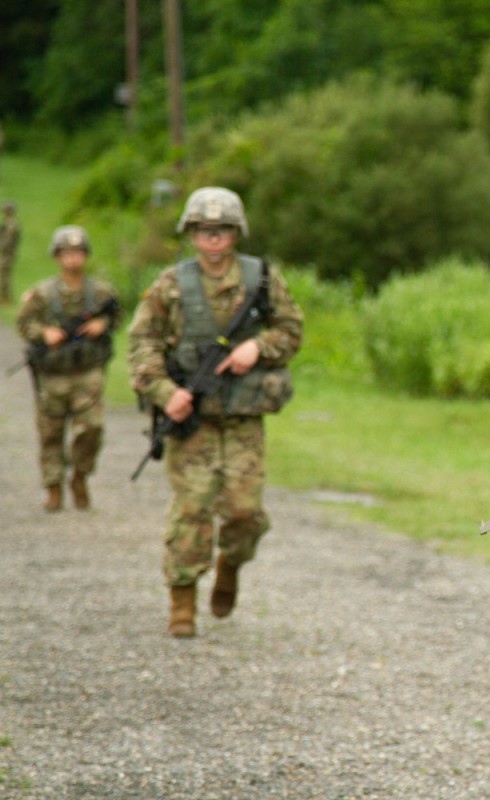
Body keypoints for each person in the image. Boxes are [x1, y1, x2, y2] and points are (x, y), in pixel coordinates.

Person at [127, 186, 303, 638]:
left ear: (236, 233)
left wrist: (256, 347)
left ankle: (230, 565)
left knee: (246, 514)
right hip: (193, 422)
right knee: (192, 510)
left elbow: (291, 330)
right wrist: (166, 393)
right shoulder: (171, 284)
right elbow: (142, 343)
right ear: (191, 233)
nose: (213, 239)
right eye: (205, 230)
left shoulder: (260, 279)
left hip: (243, 419)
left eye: (222, 230)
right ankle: (182, 600)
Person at [16, 225, 121, 511]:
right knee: (51, 432)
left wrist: (104, 324)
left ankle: (80, 475)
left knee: (92, 428)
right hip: (53, 373)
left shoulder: (100, 292)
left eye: (78, 252)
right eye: (66, 253)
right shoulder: (42, 293)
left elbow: (117, 317)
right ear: (57, 257)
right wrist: (44, 333)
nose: (73, 259)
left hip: (88, 370)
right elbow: (24, 324)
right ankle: (53, 486)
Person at [1, 200, 20, 303]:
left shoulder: (11, 224)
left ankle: (6, 297)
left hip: (7, 253)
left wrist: (1, 248)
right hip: (7, 253)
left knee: (5, 274)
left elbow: (8, 240)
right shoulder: (9, 223)